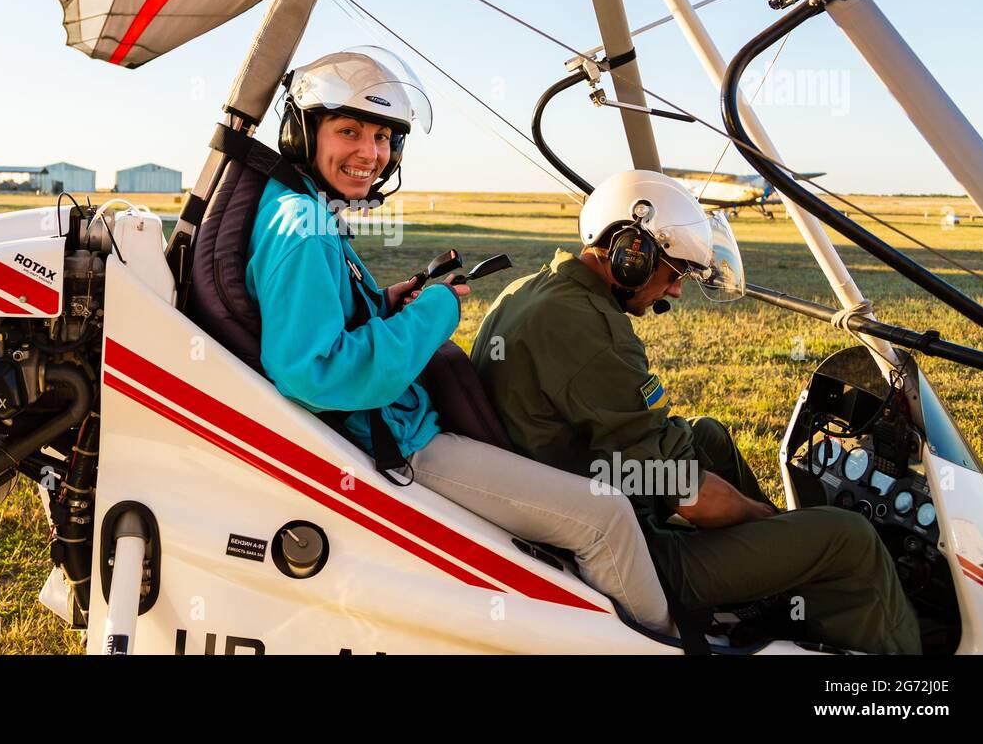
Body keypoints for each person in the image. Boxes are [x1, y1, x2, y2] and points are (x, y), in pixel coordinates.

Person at [244, 47, 673, 634]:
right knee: (606, 518)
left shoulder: (299, 208)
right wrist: (436, 312)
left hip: (389, 426)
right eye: (349, 131)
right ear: (303, 133)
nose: (370, 153)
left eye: (383, 137)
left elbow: (323, 322)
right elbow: (315, 373)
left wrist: (385, 305)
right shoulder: (303, 229)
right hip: (397, 444)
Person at [471, 168, 922, 654]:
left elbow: (643, 448)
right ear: (631, 257)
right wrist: (764, 518)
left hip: (580, 490)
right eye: (674, 272)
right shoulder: (589, 331)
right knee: (847, 537)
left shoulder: (537, 291)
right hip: (628, 548)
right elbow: (690, 498)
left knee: (707, 435)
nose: (675, 291)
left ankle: (776, 583)